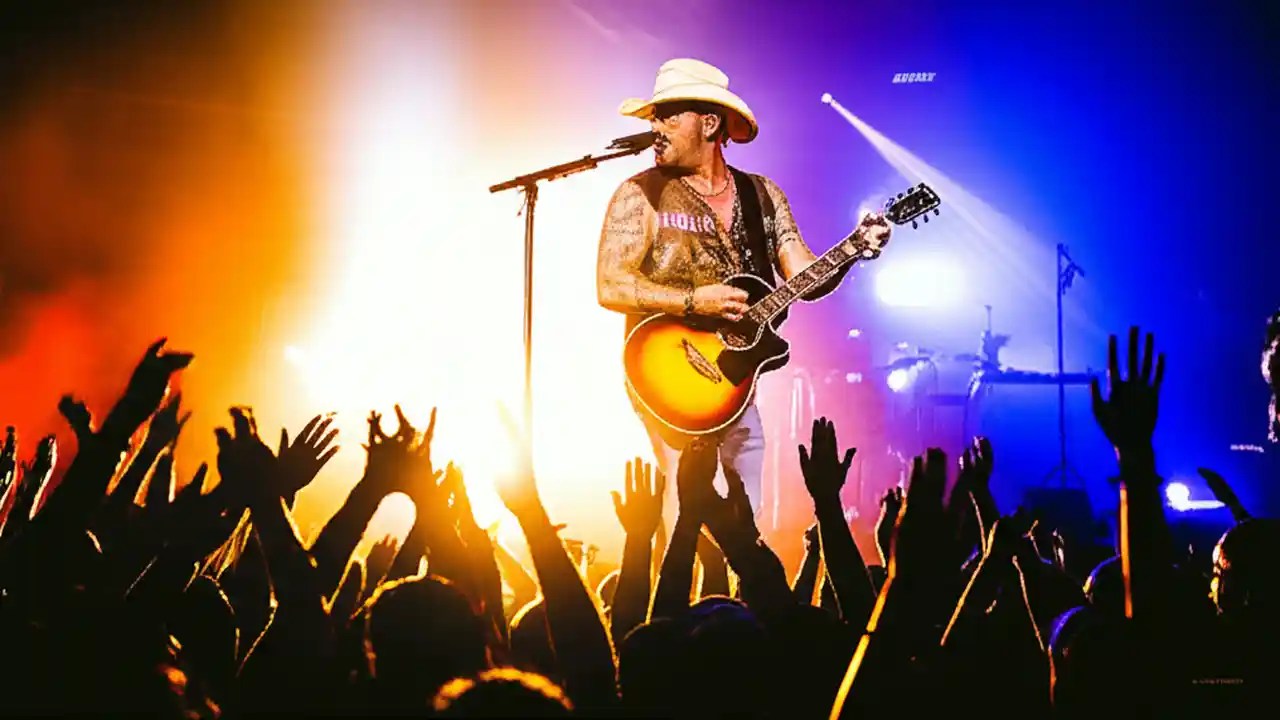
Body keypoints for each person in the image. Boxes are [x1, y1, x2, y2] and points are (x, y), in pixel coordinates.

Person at [596, 58, 891, 521]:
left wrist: (854, 248)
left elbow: (804, 279)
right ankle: (682, 595)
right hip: (668, 370)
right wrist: (693, 300)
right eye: (654, 115)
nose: (657, 126)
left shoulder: (762, 196)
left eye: (669, 114)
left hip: (735, 382)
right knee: (685, 498)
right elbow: (611, 284)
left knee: (747, 509)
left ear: (709, 123)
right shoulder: (640, 194)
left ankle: (741, 593)